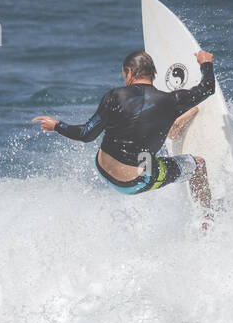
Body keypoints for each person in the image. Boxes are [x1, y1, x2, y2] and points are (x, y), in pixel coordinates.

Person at [33, 50, 216, 225]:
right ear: (153, 74)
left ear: (129, 72)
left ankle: (174, 127)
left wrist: (57, 126)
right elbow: (207, 88)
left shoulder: (114, 96)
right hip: (136, 181)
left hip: (103, 169)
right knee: (197, 165)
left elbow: (86, 134)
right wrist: (205, 62)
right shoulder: (171, 100)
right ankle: (207, 221)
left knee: (138, 130)